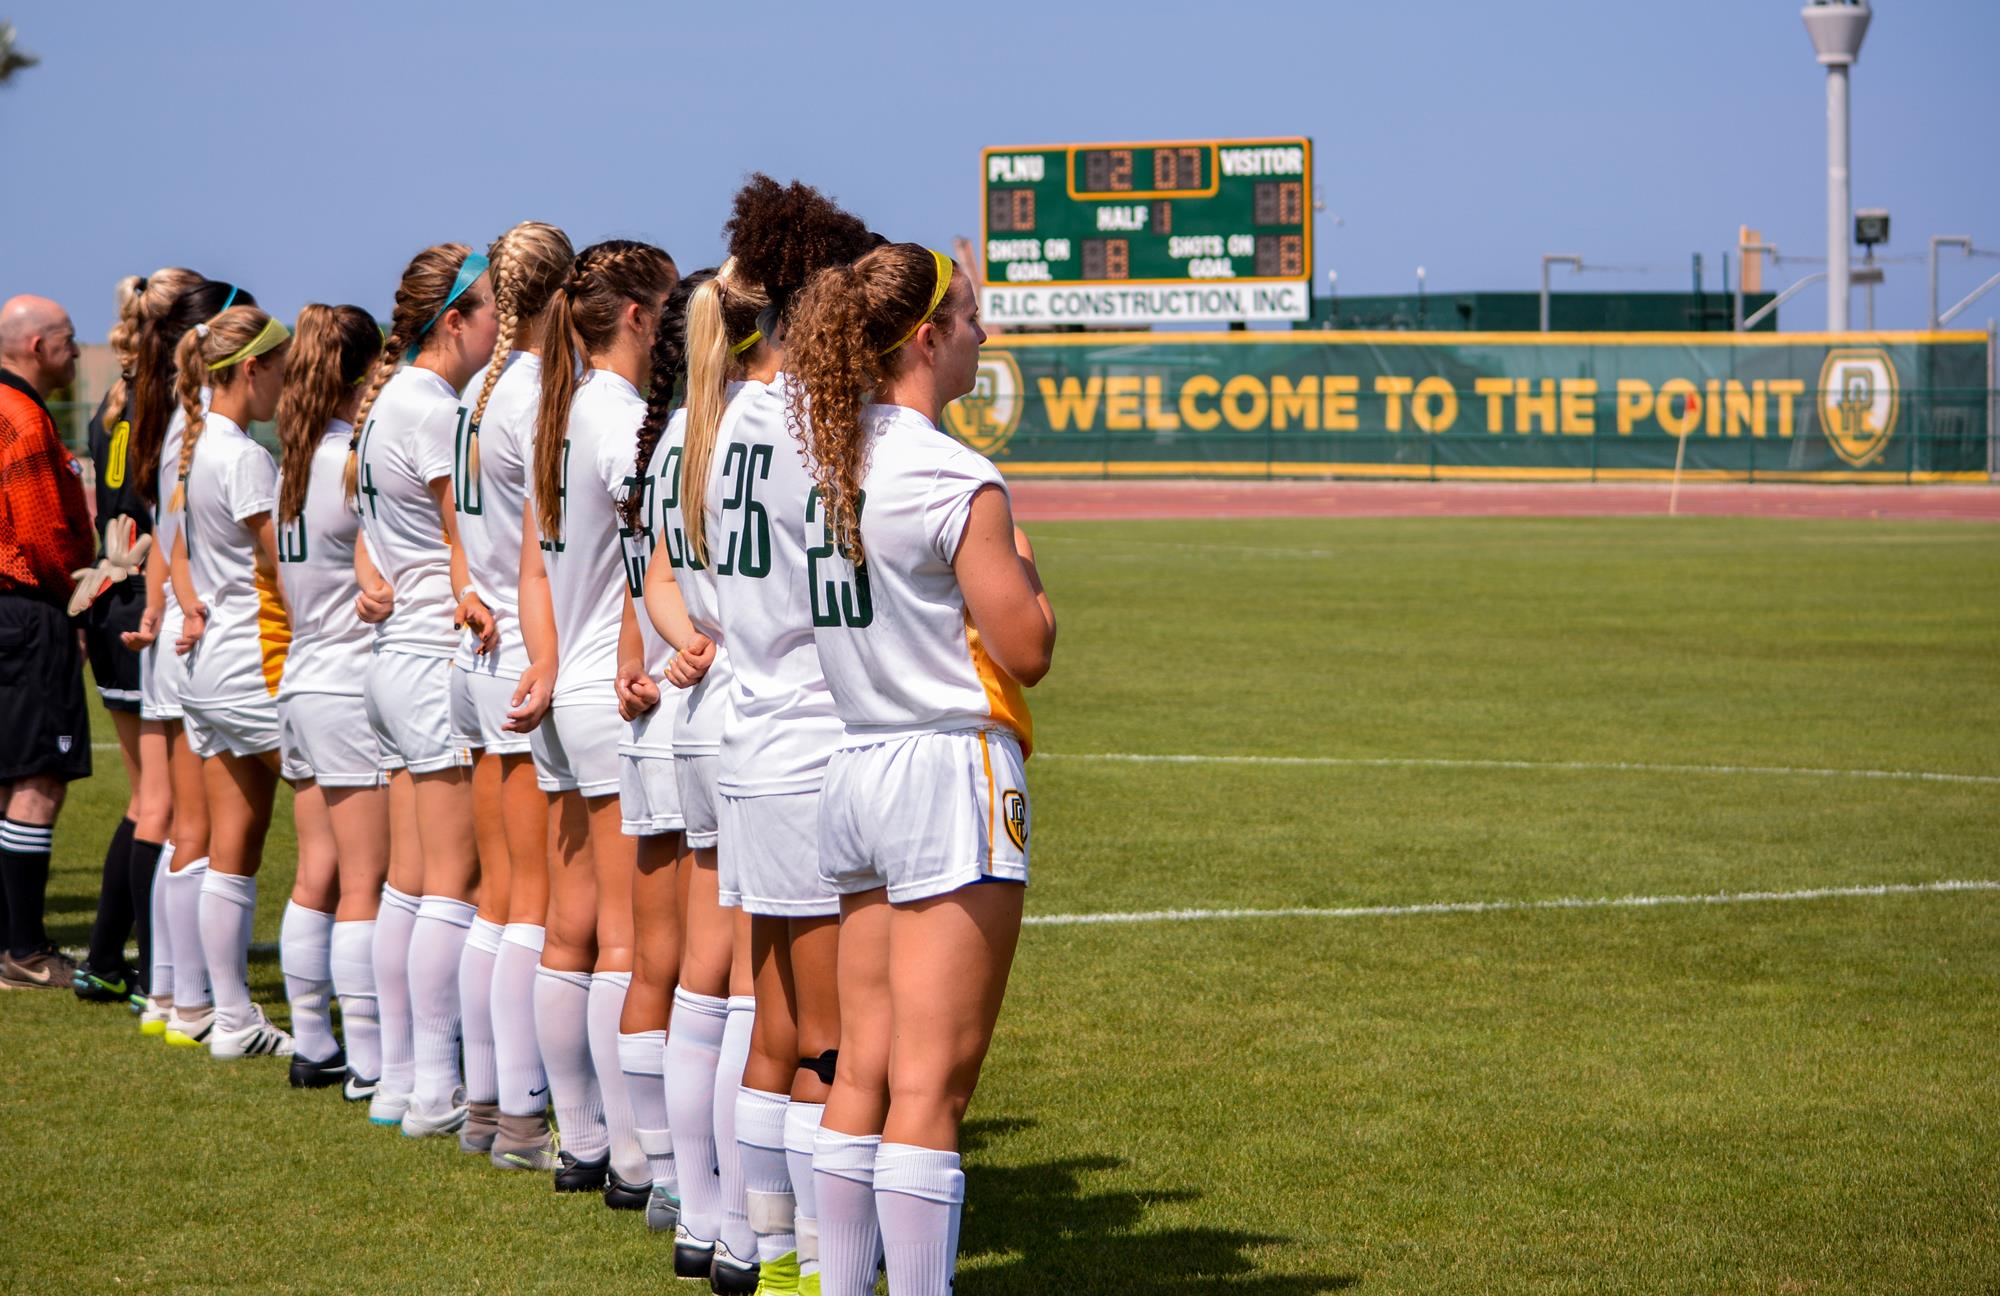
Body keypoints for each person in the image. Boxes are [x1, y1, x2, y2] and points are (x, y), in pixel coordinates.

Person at [786, 244, 1054, 1296]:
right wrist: (1026, 562)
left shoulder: (829, 457)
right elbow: (1025, 646)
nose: (984, 336)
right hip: (944, 770)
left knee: (862, 1069)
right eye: (974, 318)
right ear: (928, 336)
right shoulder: (951, 472)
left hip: (854, 766)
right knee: (931, 1092)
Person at [514, 238, 678, 1202]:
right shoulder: (618, 417)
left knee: (567, 928)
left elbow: (537, 569)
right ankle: (635, 1160)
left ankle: (581, 1143)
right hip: (613, 697)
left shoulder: (562, 410)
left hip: (565, 693)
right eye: (665, 311)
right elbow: (643, 556)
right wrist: (631, 651)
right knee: (628, 941)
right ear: (638, 318)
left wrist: (546, 662)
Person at [345, 242, 499, 1133]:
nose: (496, 328)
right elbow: (462, 535)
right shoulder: (433, 406)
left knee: (408, 884)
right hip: (429, 654)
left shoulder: (390, 401)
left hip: (392, 663)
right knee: (450, 881)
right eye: (487, 312)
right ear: (455, 322)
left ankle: (407, 1078)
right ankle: (434, 1083)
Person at [450, 220, 573, 1167]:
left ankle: (492, 1106)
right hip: (525, 660)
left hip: (480, 652)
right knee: (533, 903)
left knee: (499, 899)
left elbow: (466, 539)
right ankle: (524, 1119)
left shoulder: (477, 397)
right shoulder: (537, 395)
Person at [641, 267, 753, 1280]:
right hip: (759, 722)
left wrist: (683, 644)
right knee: (760, 994)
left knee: (700, 983)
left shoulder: (676, 430)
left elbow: (657, 577)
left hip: (696, 712)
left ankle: (697, 1212)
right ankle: (747, 1228)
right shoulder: (752, 426)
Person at [164, 303, 299, 1059]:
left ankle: (233, 1017)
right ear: (253, 368)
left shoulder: (197, 444)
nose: (285, 386)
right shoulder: (243, 454)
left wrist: (188, 607)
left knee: (233, 848)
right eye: (279, 370)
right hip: (255, 667)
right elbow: (279, 564)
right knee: (342, 831)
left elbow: (178, 550)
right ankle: (359, 1032)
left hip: (208, 669)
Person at [273, 303, 394, 1093]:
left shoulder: (292, 458)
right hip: (347, 685)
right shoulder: (350, 458)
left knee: (314, 871)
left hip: (302, 681)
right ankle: (371, 1062)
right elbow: (380, 577)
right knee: (364, 882)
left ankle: (315, 1044)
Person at [123, 277, 247, 1044]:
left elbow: (168, 544)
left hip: (176, 631)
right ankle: (190, 1000)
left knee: (180, 827)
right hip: (193, 634)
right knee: (195, 826)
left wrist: (164, 601)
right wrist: (176, 602)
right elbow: (176, 542)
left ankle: (172, 994)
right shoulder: (193, 432)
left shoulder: (173, 424)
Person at [72, 270, 194, 1004]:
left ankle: (104, 961)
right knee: (162, 804)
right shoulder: (164, 399)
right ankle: (157, 974)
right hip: (138, 599)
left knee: (144, 799)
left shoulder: (120, 394)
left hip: (110, 595)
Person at [0, 293, 93, 990]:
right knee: (37, 779)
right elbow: (43, 533)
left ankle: (12, 942)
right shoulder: (26, 420)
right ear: (38, 346)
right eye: (67, 339)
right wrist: (80, 594)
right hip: (26, 613)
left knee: (9, 777)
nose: (75, 349)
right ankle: (26, 953)